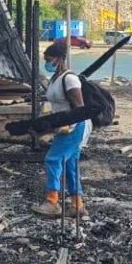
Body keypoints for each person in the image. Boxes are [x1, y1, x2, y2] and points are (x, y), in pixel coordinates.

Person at [35, 39, 89, 218]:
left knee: (52, 158)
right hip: (63, 126)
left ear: (58, 59)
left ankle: (52, 202)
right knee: (70, 164)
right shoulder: (55, 79)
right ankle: (77, 205)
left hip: (73, 126)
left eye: (49, 59)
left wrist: (69, 125)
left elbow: (80, 107)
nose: (47, 63)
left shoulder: (70, 79)